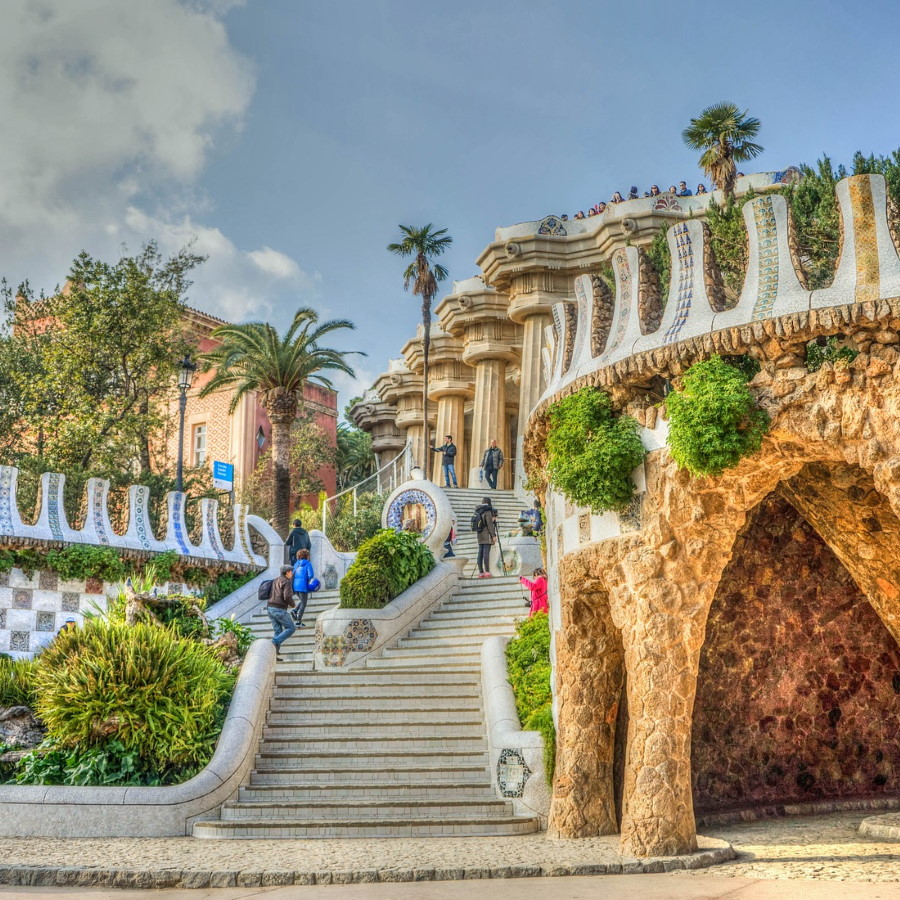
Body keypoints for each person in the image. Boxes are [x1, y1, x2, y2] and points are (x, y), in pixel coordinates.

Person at [267, 565, 296, 656]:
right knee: (291, 628)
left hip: (270, 608)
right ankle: (274, 642)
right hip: (279, 609)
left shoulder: (276, 580)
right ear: (287, 572)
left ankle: (274, 655)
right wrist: (293, 605)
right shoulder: (286, 581)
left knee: (278, 631)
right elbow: (287, 596)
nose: (292, 573)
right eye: (291, 571)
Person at [474, 497, 497, 578]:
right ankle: (487, 571)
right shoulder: (487, 511)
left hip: (479, 533)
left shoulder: (478, 510)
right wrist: (493, 535)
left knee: (480, 552)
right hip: (486, 534)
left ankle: (481, 572)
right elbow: (490, 525)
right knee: (486, 553)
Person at [290, 549, 314, 627]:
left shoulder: (296, 564)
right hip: (303, 585)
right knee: (304, 603)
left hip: (295, 586)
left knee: (302, 601)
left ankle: (294, 610)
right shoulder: (308, 564)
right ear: (307, 556)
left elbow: (292, 574)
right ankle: (298, 621)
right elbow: (311, 575)